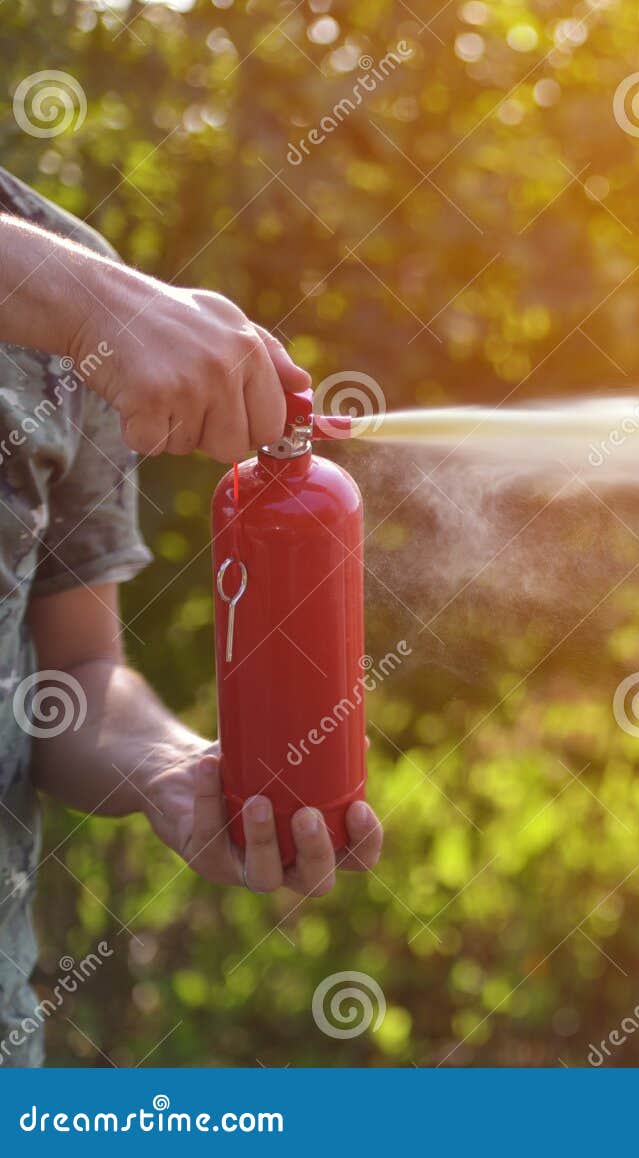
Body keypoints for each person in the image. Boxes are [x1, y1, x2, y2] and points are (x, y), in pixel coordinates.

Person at [0, 166, 383, 1066]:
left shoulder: (64, 274)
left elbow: (74, 675)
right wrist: (92, 302)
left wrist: (169, 771)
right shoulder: (80, 294)